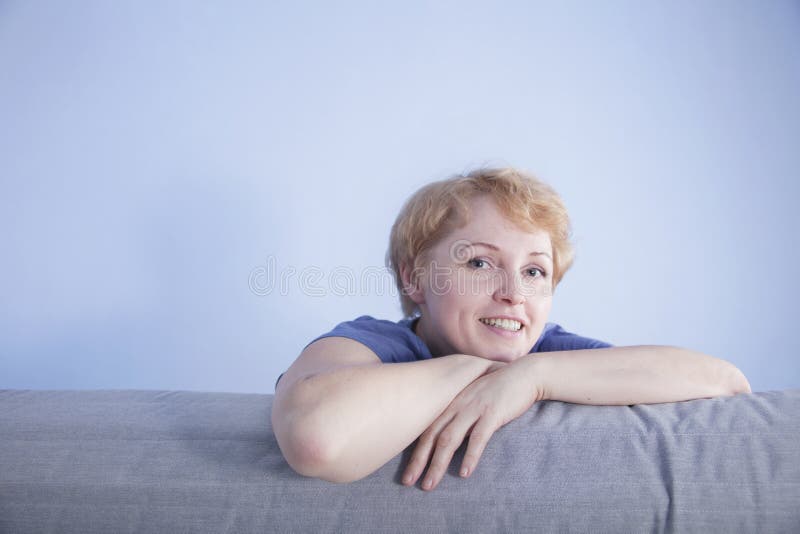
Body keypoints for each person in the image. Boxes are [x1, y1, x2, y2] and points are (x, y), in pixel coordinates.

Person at [271, 167, 751, 491]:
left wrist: (532, 376)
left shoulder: (542, 353)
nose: (514, 294)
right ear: (414, 277)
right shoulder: (376, 341)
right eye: (480, 262)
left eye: (535, 271)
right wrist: (472, 369)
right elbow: (318, 439)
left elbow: (725, 381)